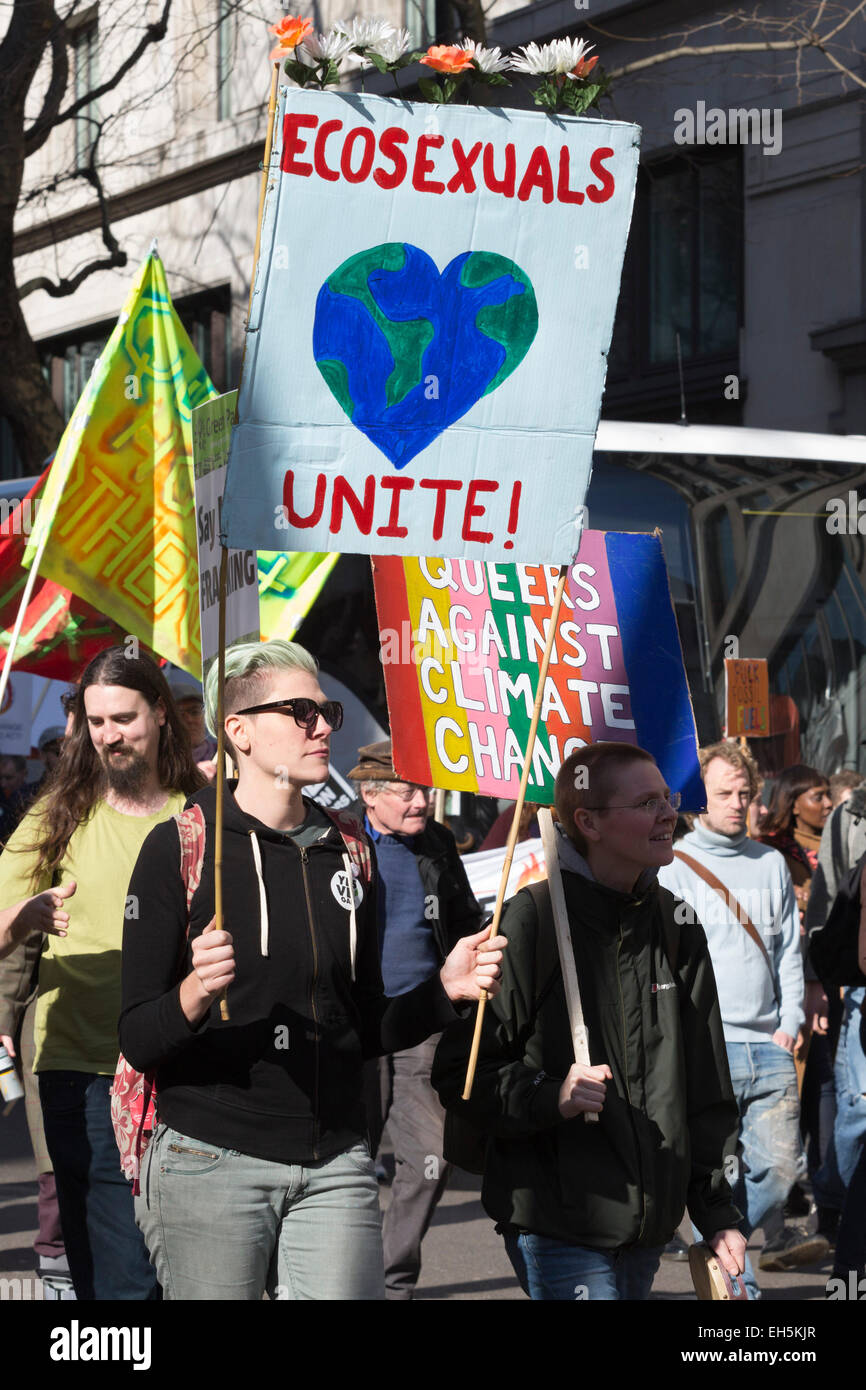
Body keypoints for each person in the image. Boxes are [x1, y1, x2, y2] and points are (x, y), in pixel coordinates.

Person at [120, 639, 505, 1301]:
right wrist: (191, 993)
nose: (325, 724)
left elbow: (366, 1025)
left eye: (325, 709)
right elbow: (137, 1036)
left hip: (335, 1159)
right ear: (237, 731)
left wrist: (445, 991)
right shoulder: (179, 845)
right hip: (211, 1159)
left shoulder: (349, 847)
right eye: (300, 711)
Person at [433, 741, 746, 1301]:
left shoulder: (677, 925)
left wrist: (718, 1212)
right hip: (559, 1220)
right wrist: (550, 1095)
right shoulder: (529, 920)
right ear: (588, 822)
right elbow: (463, 1073)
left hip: (647, 1228)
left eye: (668, 798)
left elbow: (707, 1089)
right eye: (647, 802)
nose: (669, 813)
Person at [0, 647, 203, 1299]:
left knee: (174, 1266)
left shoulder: (202, 812)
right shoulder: (58, 813)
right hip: (82, 1072)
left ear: (162, 716)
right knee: (118, 1273)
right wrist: (23, 918)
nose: (109, 734)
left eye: (124, 717)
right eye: (96, 721)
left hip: (187, 1069)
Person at [658, 741, 824, 1297]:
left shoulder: (771, 863)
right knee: (718, 1173)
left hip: (769, 1042)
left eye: (744, 793)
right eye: (723, 793)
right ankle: (739, 1282)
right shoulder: (672, 866)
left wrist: (791, 1018)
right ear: (697, 798)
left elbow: (788, 955)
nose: (737, 803)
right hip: (708, 1048)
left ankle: (717, 1243)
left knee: (779, 1173)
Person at [350, 741, 482, 1299]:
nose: (422, 801)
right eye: (408, 791)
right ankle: (336, 1280)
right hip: (355, 1027)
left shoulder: (438, 845)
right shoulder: (339, 844)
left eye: (426, 789)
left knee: (432, 1157)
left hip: (424, 1023)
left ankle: (391, 1283)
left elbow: (463, 917)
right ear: (369, 795)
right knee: (347, 1165)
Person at [760, 764, 835, 1245]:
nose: (827, 804)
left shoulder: (838, 847)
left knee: (823, 1095)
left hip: (827, 986)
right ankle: (780, 1196)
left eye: (829, 795)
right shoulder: (771, 855)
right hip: (783, 992)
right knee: (792, 1092)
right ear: (792, 801)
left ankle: (824, 1197)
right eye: (817, 796)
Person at [804, 774, 866, 1287]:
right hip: (861, 993)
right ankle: (833, 1199)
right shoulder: (851, 818)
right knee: (858, 1112)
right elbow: (827, 903)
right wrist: (823, 984)